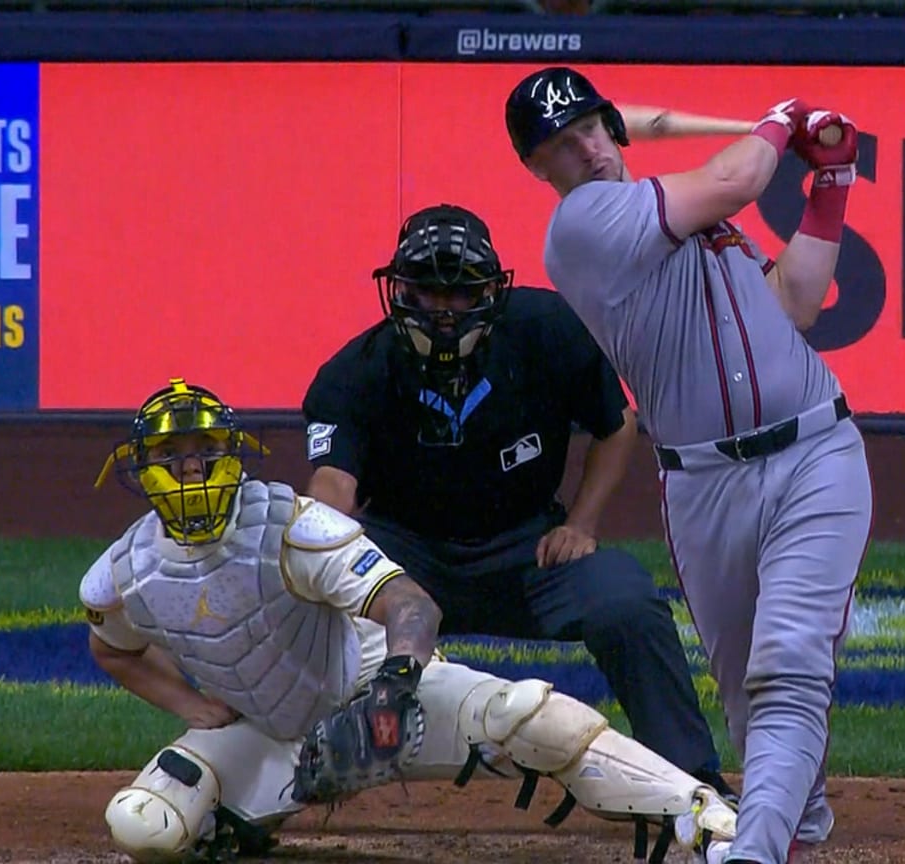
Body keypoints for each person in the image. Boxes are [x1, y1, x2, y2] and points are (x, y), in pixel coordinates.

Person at [78, 377, 737, 864]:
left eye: (204, 451)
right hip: (273, 734)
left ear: (233, 454)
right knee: (144, 826)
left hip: (384, 696)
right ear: (140, 469)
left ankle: (707, 816)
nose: (191, 468)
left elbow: (411, 604)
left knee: (538, 718)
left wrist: (393, 689)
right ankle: (249, 814)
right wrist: (191, 705)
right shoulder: (124, 572)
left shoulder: (291, 526)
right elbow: (113, 649)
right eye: (173, 455)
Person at [505, 68, 874, 864]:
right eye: (562, 147)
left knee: (788, 669)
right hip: (703, 484)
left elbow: (797, 301)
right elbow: (736, 177)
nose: (587, 150)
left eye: (594, 129)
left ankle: (755, 851)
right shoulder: (586, 227)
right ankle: (799, 823)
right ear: (540, 172)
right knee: (747, 696)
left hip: (817, 454)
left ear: (615, 128)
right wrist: (786, 117)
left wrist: (831, 183)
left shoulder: (681, 221)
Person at [299, 203, 736, 801]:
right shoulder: (353, 373)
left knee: (628, 602)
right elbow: (333, 488)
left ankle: (692, 783)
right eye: (428, 292)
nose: (444, 310)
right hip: (406, 563)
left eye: (461, 292)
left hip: (529, 550)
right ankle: (285, 774)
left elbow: (617, 425)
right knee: (310, 610)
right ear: (400, 291)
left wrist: (582, 523)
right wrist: (325, 557)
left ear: (491, 290)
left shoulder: (549, 328)